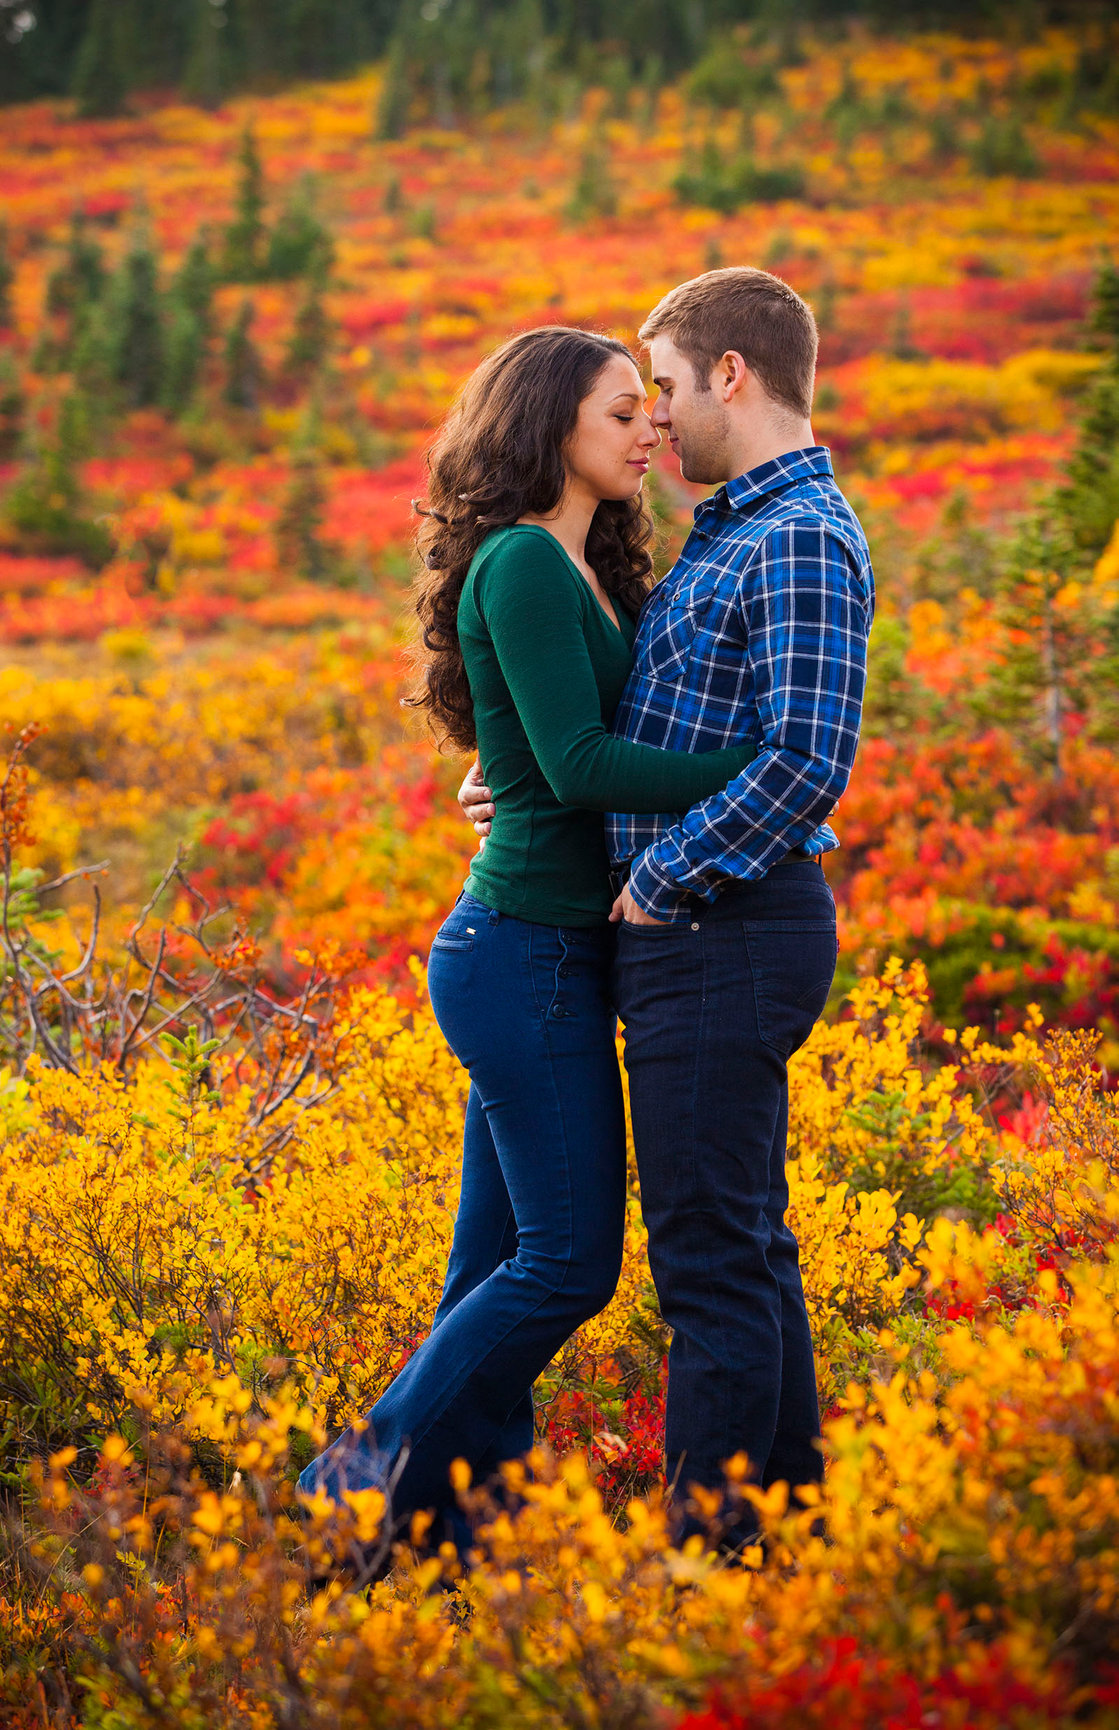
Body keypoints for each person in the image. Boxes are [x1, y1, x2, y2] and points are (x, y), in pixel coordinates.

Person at [298, 324, 757, 1538]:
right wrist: (770, 765)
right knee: (567, 1264)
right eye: (621, 411)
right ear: (548, 423)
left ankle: (451, 1533)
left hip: (548, 954)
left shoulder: (588, 565)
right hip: (525, 956)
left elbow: (539, 754)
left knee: (486, 1274)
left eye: (649, 408)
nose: (650, 426)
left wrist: (520, 773)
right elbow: (581, 759)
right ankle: (334, 1496)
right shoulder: (522, 563)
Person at [460, 266, 875, 1544]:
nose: (658, 420)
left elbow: (806, 758)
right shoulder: (732, 529)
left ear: (731, 378)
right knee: (747, 1245)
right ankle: (788, 1535)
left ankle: (708, 1566)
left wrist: (657, 875)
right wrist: (521, 777)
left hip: (723, 933)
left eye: (670, 389)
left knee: (706, 1261)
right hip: (692, 934)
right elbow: (640, 718)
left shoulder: (799, 533)